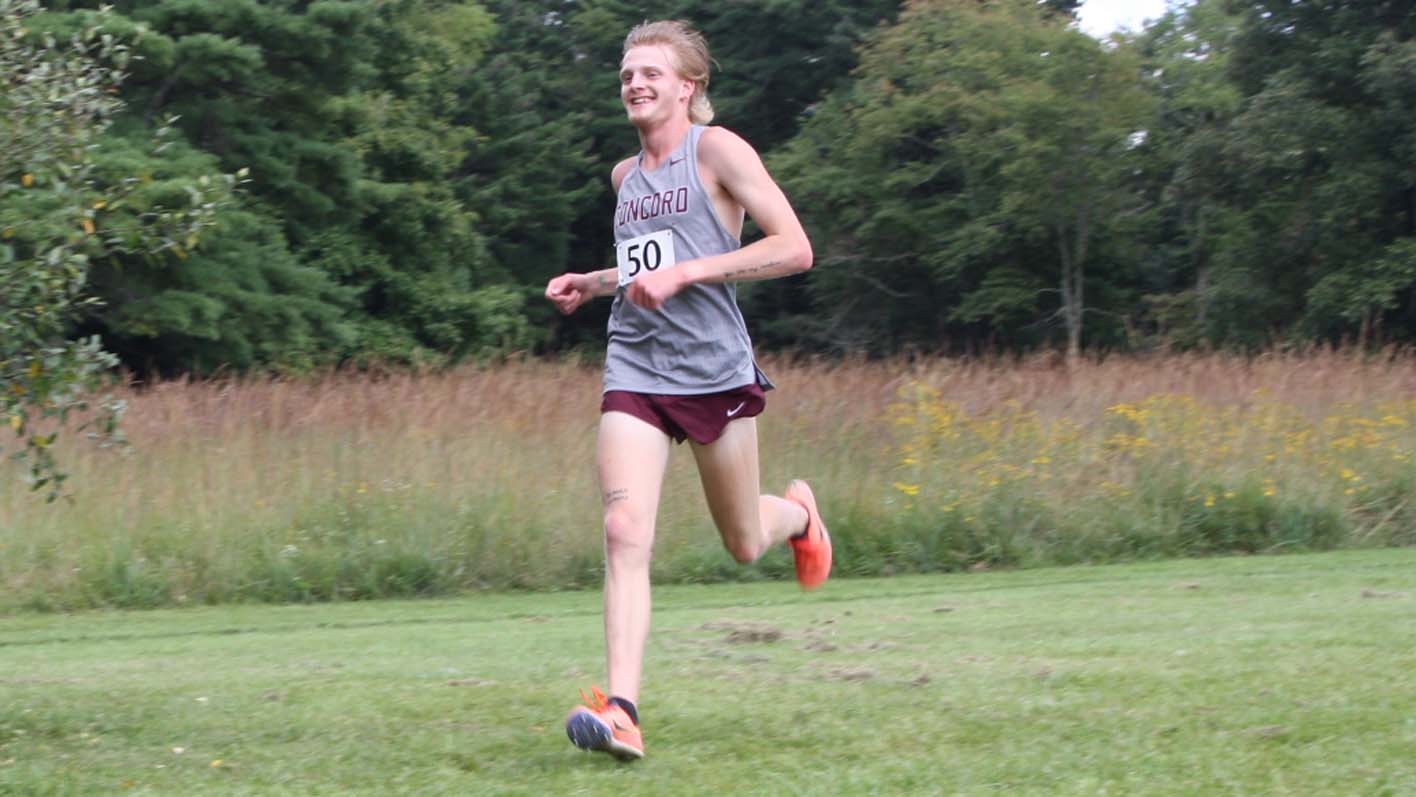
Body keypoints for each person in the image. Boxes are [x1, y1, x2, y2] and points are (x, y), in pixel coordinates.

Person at [544, 19, 831, 762]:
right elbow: (646, 270)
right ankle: (622, 710)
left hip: (713, 370)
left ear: (687, 87)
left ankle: (797, 516)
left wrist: (688, 272)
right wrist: (595, 281)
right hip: (636, 368)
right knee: (623, 529)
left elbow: (793, 248)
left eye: (650, 73)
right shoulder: (624, 178)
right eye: (626, 74)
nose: (635, 84)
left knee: (741, 541)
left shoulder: (719, 151)